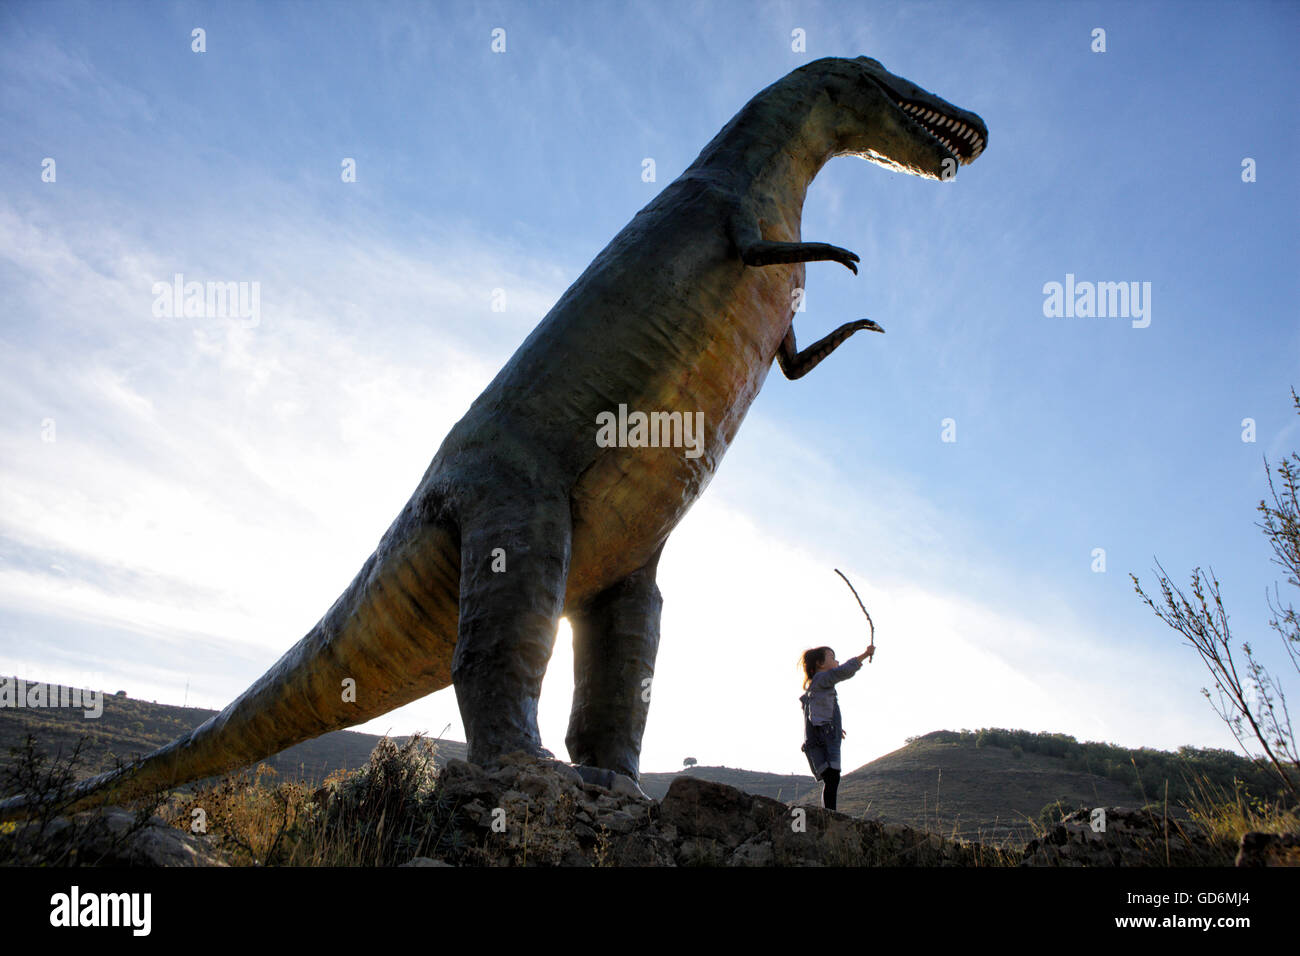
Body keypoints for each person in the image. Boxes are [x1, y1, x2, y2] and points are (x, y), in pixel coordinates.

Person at [798, 644, 873, 811]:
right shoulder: (822, 679)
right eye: (832, 657)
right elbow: (842, 671)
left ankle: (829, 812)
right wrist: (865, 655)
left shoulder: (814, 688)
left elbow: (817, 715)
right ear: (820, 663)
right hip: (826, 738)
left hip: (820, 738)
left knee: (831, 778)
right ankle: (830, 813)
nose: (836, 660)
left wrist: (837, 728)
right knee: (833, 777)